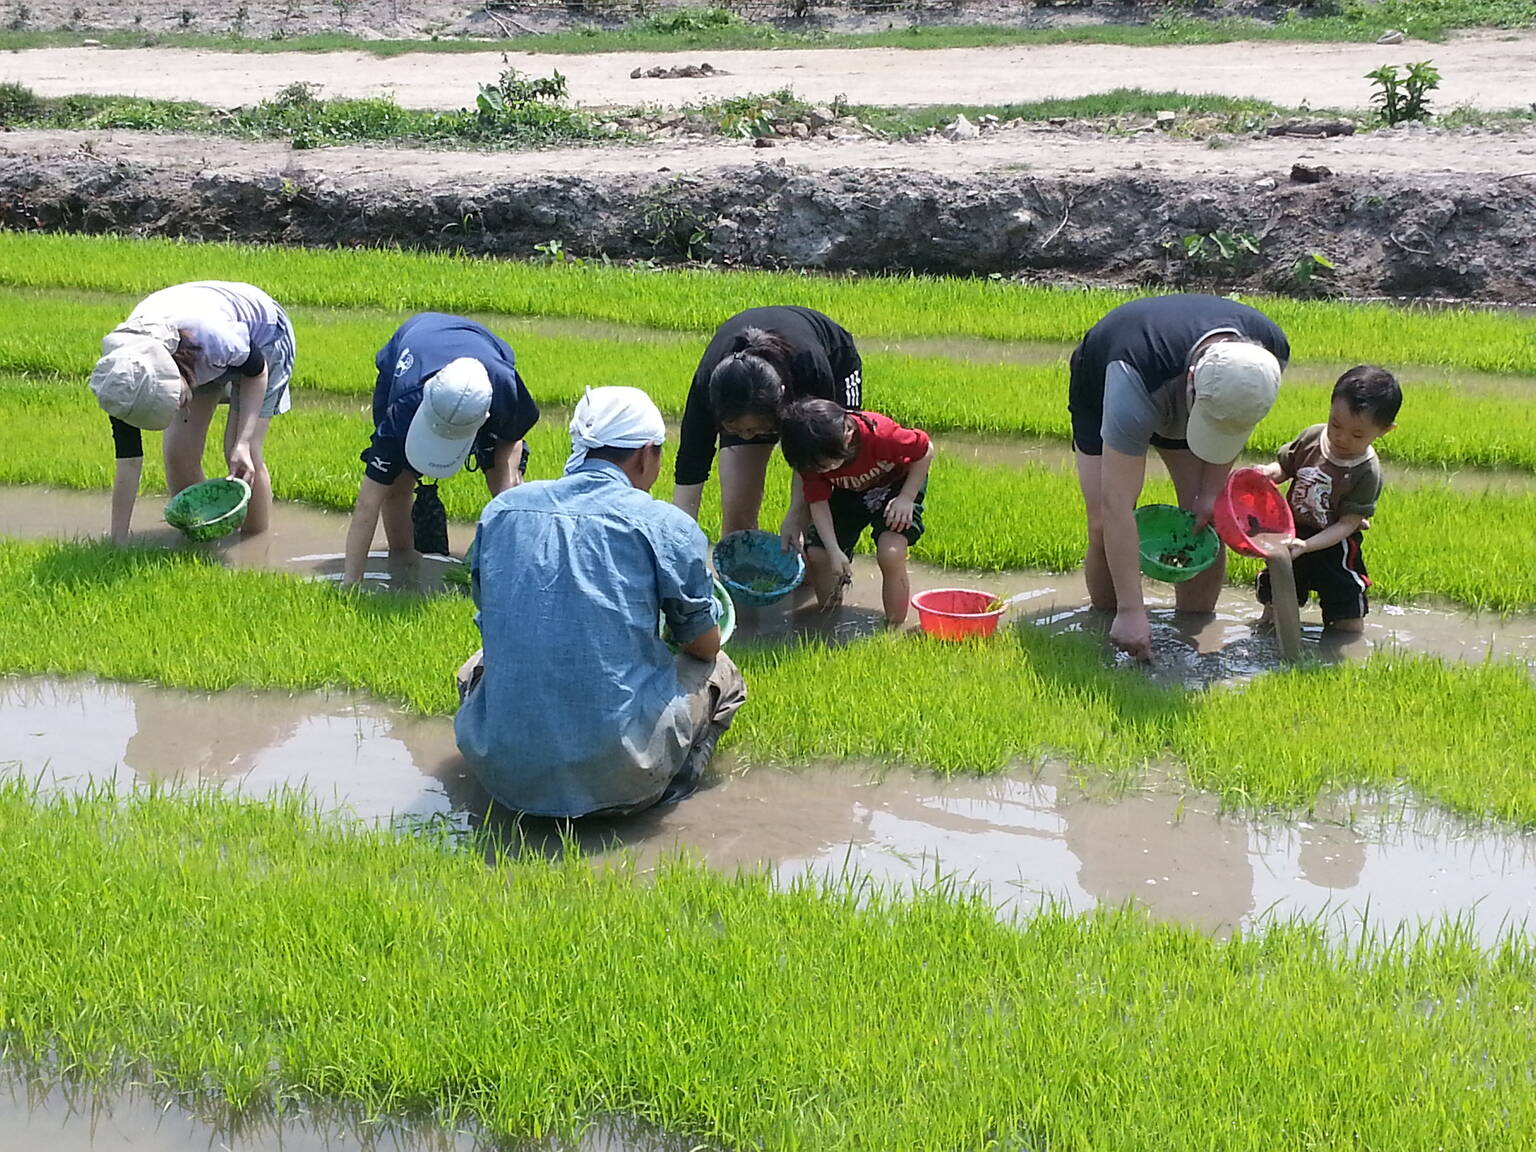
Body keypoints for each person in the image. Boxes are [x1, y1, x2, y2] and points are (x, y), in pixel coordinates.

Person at [454, 386, 746, 818]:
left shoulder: (502, 512)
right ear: (647, 453)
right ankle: (670, 788)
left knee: (474, 665)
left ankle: (525, 763)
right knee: (722, 672)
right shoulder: (666, 526)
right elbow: (702, 645)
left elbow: (493, 617)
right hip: (624, 781)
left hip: (502, 779)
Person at [1069, 294, 1288, 661]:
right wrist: (1131, 610)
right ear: (1191, 382)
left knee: (1204, 520)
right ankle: (1109, 625)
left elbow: (1237, 419)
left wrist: (1210, 492)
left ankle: (1195, 628)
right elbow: (1116, 504)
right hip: (1114, 378)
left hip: (1189, 388)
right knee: (1101, 526)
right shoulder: (1131, 381)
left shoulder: (1267, 357)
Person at [89, 281, 297, 544]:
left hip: (264, 337)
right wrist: (117, 541)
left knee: (242, 454)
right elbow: (128, 462)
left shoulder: (209, 337)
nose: (178, 406)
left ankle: (255, 548)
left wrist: (244, 441)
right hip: (190, 355)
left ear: (171, 373)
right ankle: (202, 542)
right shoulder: (123, 380)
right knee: (178, 454)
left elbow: (257, 371)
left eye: (174, 397)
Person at [342, 313, 538, 587]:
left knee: (504, 482)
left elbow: (511, 439)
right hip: (415, 344)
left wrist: (505, 499)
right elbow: (369, 499)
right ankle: (403, 561)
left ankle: (518, 568)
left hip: (483, 354)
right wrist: (351, 584)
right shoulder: (405, 404)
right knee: (397, 482)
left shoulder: (504, 385)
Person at [673, 306, 864, 545]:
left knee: (832, 471)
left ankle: (820, 568)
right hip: (752, 395)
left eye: (752, 430)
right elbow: (691, 467)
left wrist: (796, 515)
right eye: (736, 431)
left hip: (832, 366)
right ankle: (744, 572)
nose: (746, 436)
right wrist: (680, 541)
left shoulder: (809, 366)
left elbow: (814, 462)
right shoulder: (711, 387)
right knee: (737, 517)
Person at [1256, 365, 1400, 635]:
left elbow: (1347, 524)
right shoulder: (1312, 437)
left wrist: (1308, 545)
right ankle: (1271, 634)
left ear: (1385, 430)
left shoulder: (1367, 471)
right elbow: (1285, 468)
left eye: (1357, 435)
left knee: (1345, 607)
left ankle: (1344, 643)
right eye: (1335, 424)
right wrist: (1267, 474)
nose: (1341, 438)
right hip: (1290, 533)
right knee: (1277, 598)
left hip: (1336, 543)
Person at [779, 398, 934, 627]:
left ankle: (893, 627)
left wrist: (907, 498)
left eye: (826, 465)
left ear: (847, 436)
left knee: (891, 552)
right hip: (847, 491)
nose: (821, 471)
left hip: (895, 489)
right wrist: (833, 550)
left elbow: (925, 450)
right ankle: (828, 621)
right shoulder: (812, 458)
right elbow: (818, 502)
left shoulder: (881, 435)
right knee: (820, 555)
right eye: (815, 468)